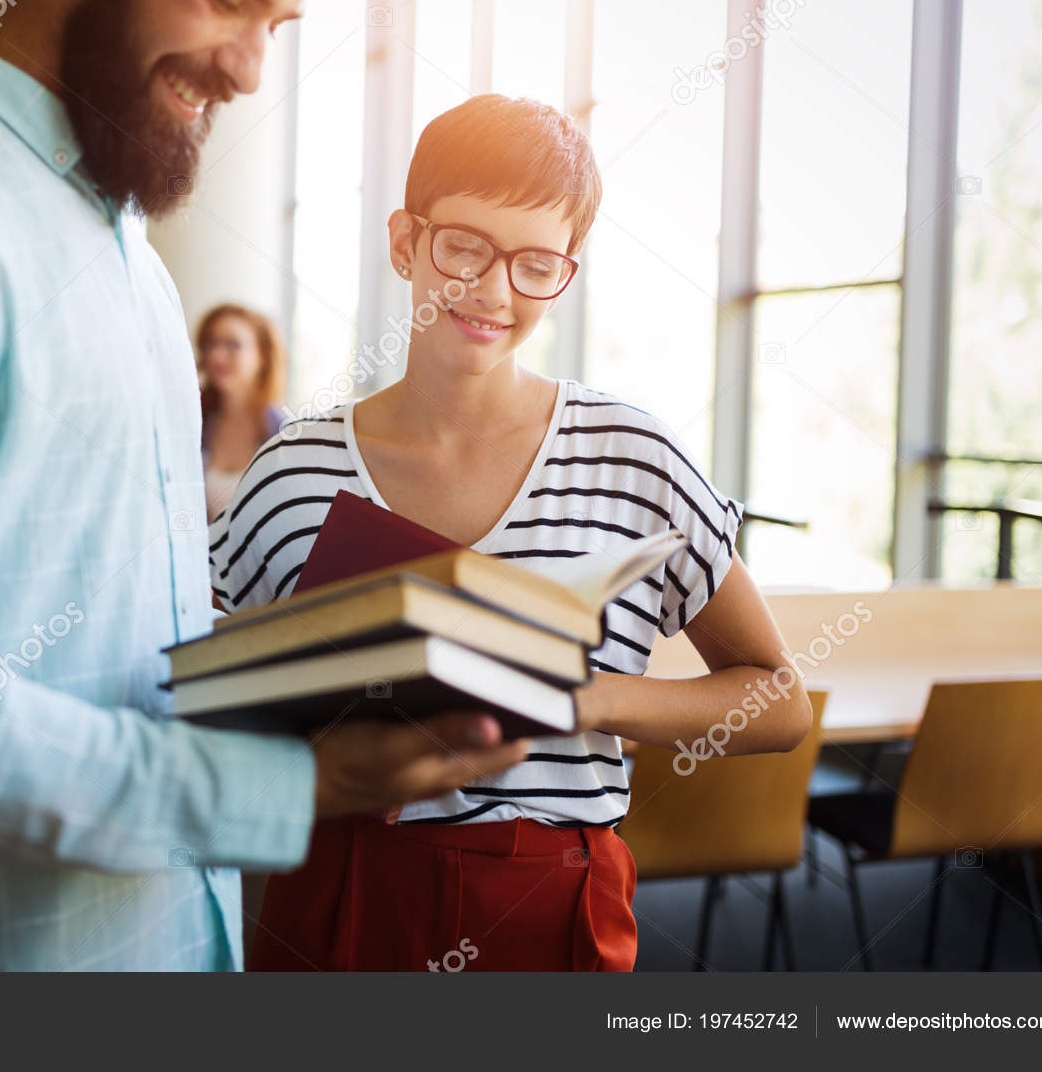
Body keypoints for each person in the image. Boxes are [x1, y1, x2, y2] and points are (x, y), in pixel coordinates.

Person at [0, 0, 530, 972]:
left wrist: (313, 706)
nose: (249, 70)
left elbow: (106, 648)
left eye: (276, 25)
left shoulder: (127, 255)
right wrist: (299, 788)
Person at [209, 94, 811, 972]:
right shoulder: (291, 470)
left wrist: (586, 701)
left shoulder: (635, 458)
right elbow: (210, 691)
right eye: (463, 247)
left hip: (548, 893)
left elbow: (778, 700)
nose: (493, 291)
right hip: (339, 876)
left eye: (537, 263)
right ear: (405, 241)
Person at [197, 304, 291, 519]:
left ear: (263, 356)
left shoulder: (285, 432)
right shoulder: (194, 425)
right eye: (210, 344)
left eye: (233, 345)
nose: (217, 356)